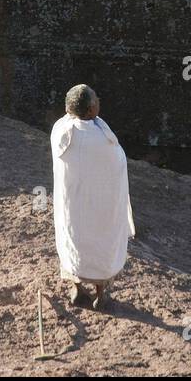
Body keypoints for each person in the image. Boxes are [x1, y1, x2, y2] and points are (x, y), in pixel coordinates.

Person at [50, 84, 135, 310]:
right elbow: (117, 166)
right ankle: (101, 294)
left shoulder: (60, 131)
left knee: (74, 240)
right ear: (89, 111)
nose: (99, 99)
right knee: (100, 243)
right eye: (95, 99)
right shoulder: (103, 139)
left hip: (72, 205)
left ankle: (77, 289)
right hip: (99, 207)